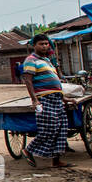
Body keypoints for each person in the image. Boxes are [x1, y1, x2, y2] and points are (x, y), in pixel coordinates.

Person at [20, 34, 70, 168]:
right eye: (41, 44)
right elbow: (28, 80)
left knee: (61, 128)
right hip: (44, 98)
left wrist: (63, 97)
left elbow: (55, 80)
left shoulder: (47, 60)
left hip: (57, 99)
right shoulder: (31, 60)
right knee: (50, 128)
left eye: (46, 44)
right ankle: (28, 150)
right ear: (34, 45)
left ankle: (56, 160)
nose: (44, 46)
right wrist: (34, 100)